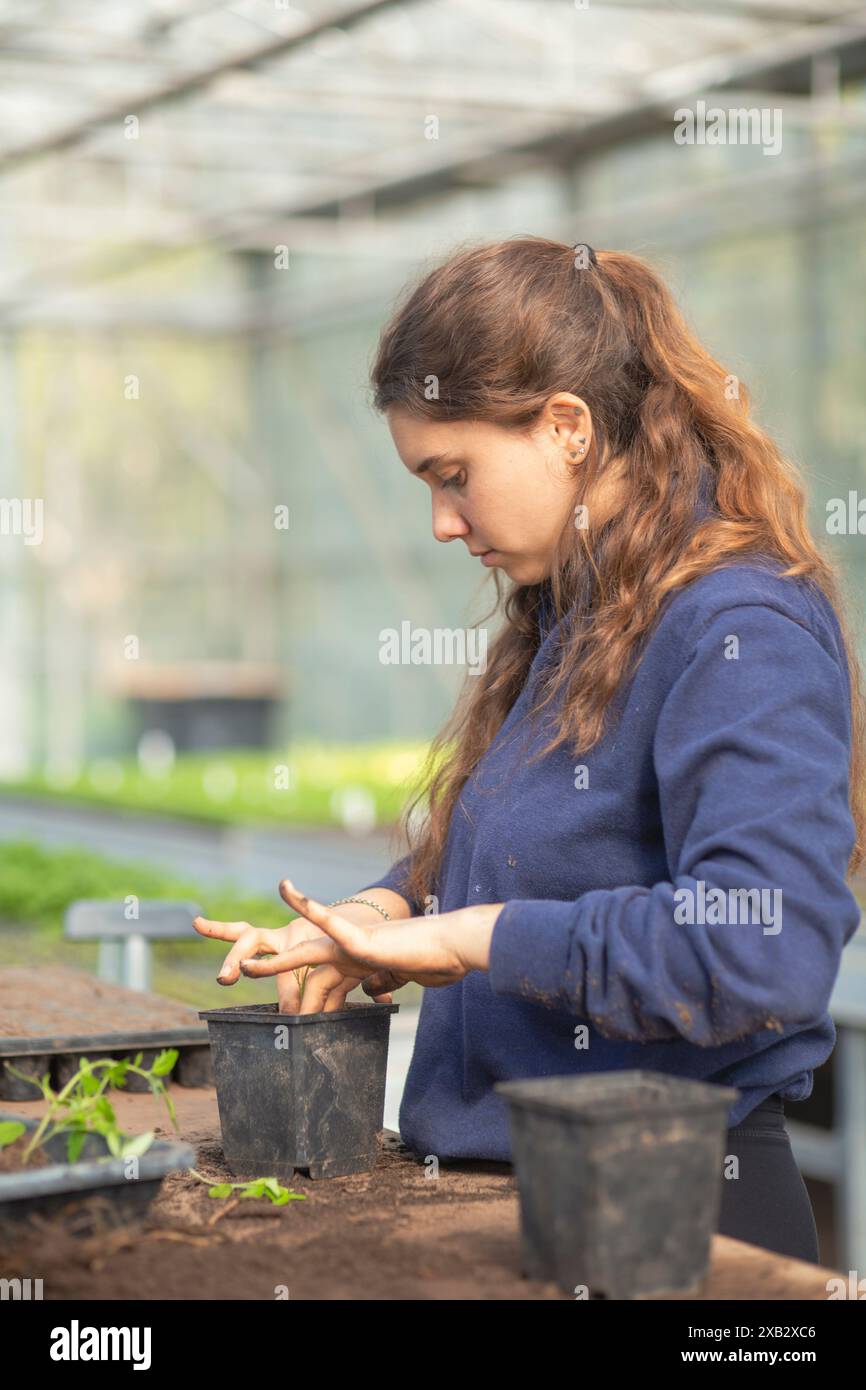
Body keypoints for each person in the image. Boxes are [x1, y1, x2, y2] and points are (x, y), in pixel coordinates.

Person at [193, 237, 866, 1265]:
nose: (440, 522)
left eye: (452, 474)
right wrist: (385, 915)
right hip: (515, 1208)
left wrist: (468, 941)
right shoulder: (576, 616)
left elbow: (757, 948)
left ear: (564, 427)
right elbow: (543, 849)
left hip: (670, 1227)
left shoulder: (738, 624)